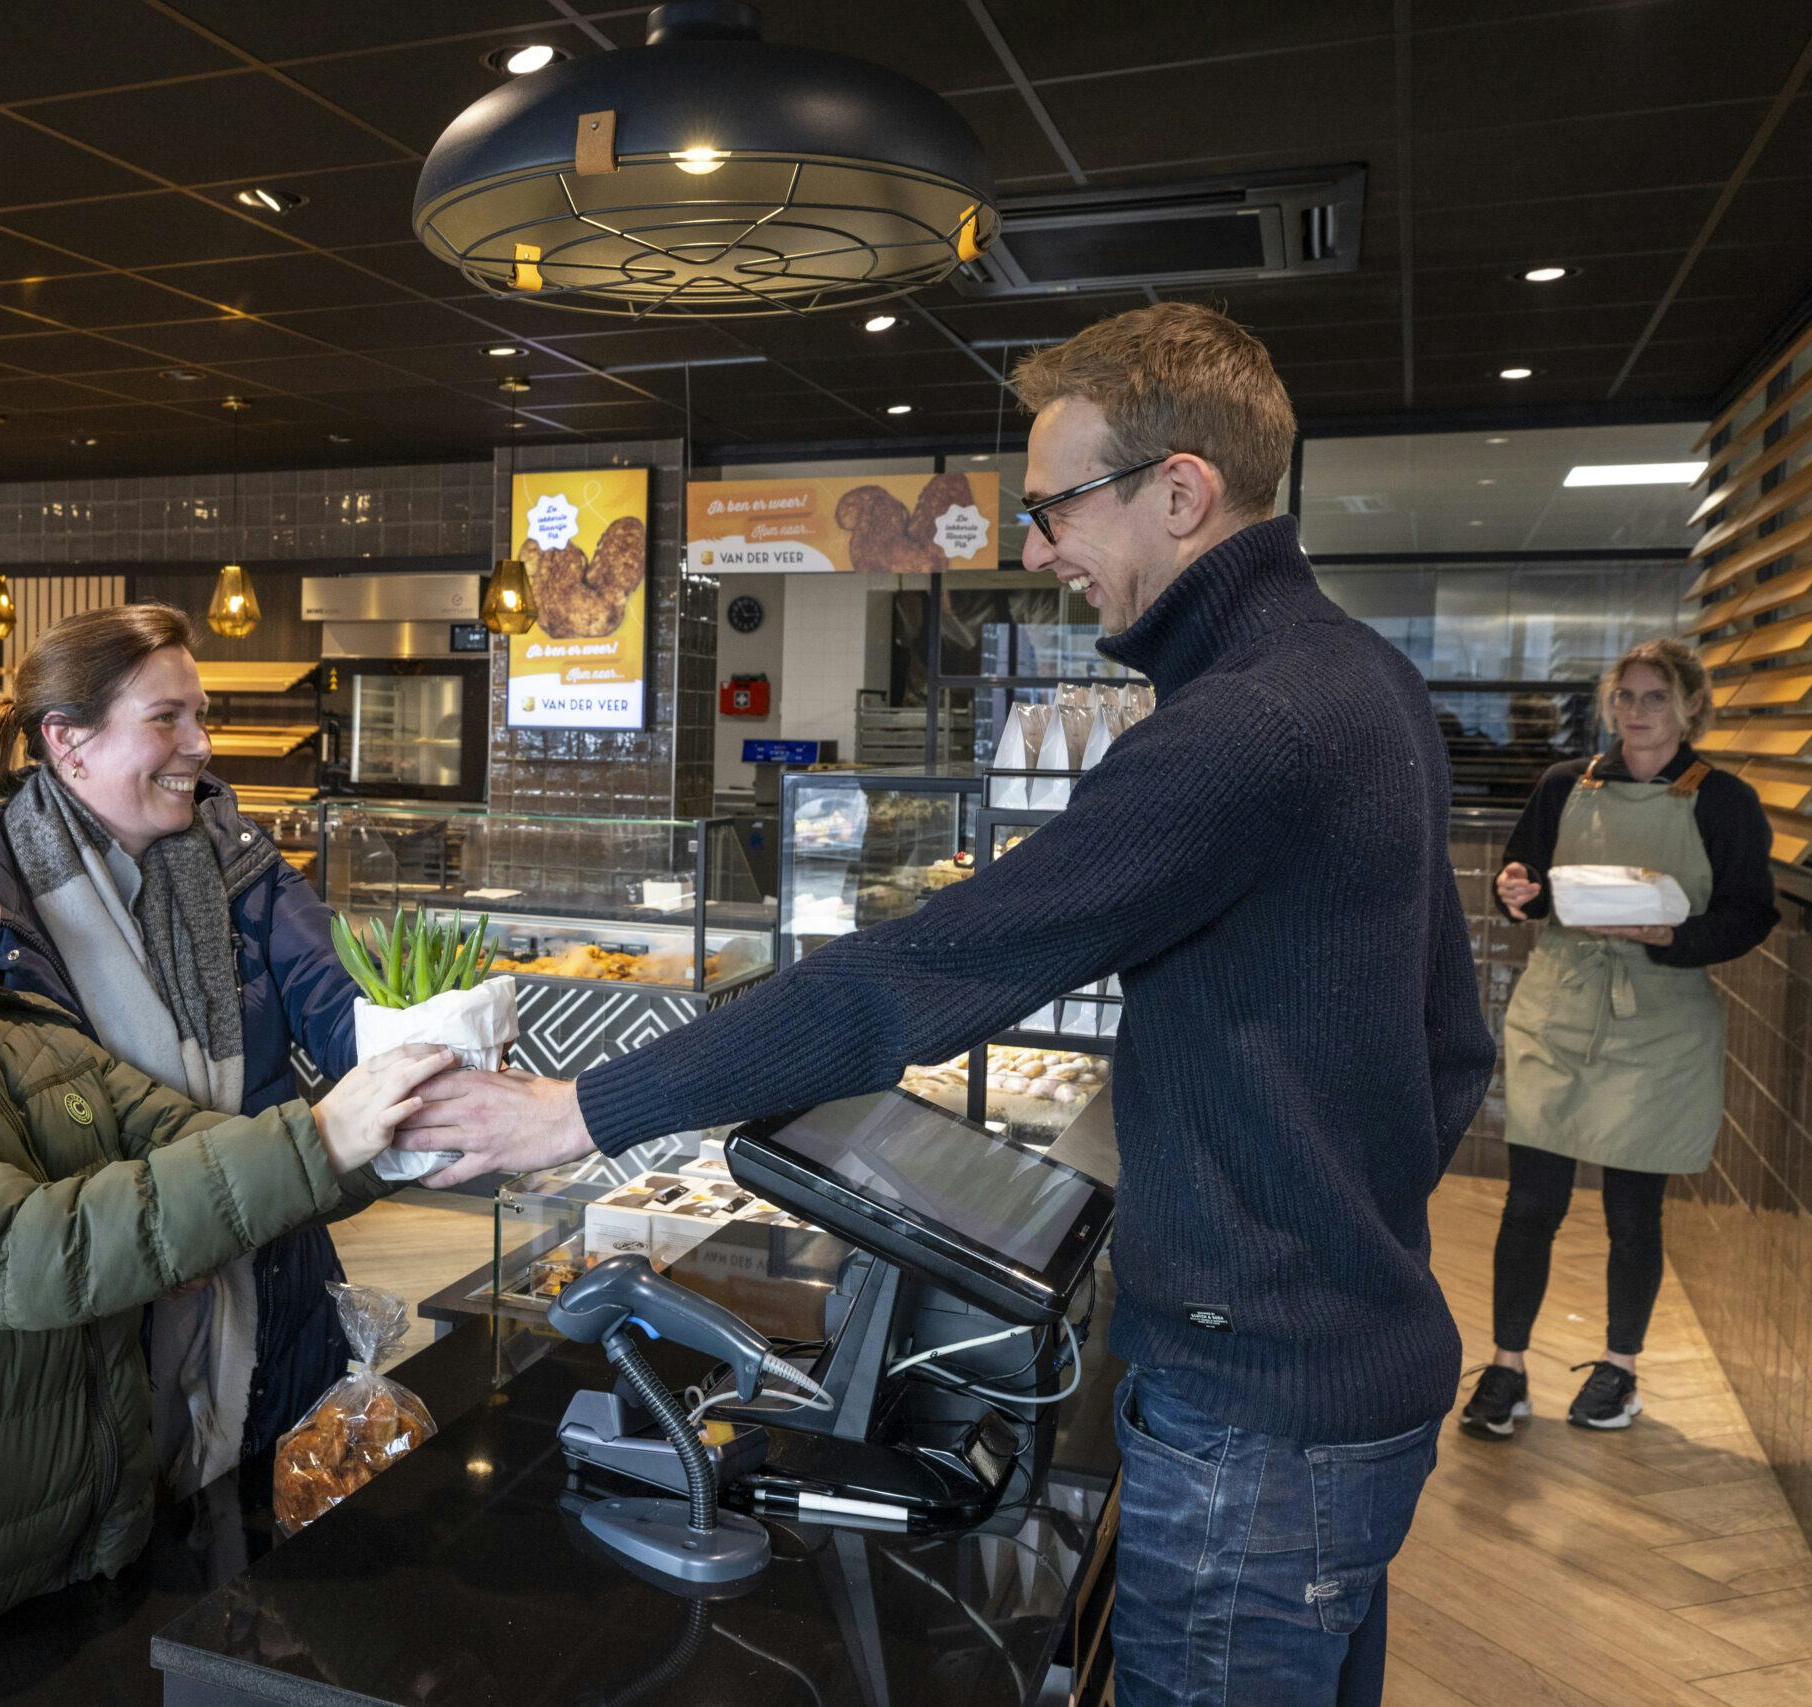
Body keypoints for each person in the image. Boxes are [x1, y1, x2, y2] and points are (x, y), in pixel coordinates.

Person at [400, 301, 1499, 1707]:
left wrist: (576, 1108)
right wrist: (1324, 1222)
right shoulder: (1368, 680)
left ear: (1180, 491)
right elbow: (1449, 1049)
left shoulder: (1244, 728)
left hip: (1255, 1424)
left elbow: (912, 978)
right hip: (1341, 1379)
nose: (1036, 552)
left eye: (1054, 508)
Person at [0, 758, 447, 1705]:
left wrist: (404, 1138)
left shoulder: (20, 1033)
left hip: (78, 1557)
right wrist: (317, 1137)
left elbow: (203, 1155)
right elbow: (29, 1252)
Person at [0, 604, 380, 1499]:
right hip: (106, 1319)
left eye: (203, 714)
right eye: (167, 718)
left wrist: (421, 1049)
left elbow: (345, 1010)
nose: (202, 745)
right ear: (68, 741)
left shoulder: (238, 855)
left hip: (276, 1278)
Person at [1460, 639, 1776, 1441]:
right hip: (1559, 1011)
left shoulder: (1724, 801)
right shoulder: (1567, 784)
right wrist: (1515, 891)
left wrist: (1673, 933)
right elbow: (1522, 883)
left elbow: (1750, 913)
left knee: (1634, 1213)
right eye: (1626, 697)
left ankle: (1619, 1368)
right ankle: (1507, 1365)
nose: (1637, 712)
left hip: (1660, 1028)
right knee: (1531, 1203)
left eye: (1656, 698)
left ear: (1691, 708)